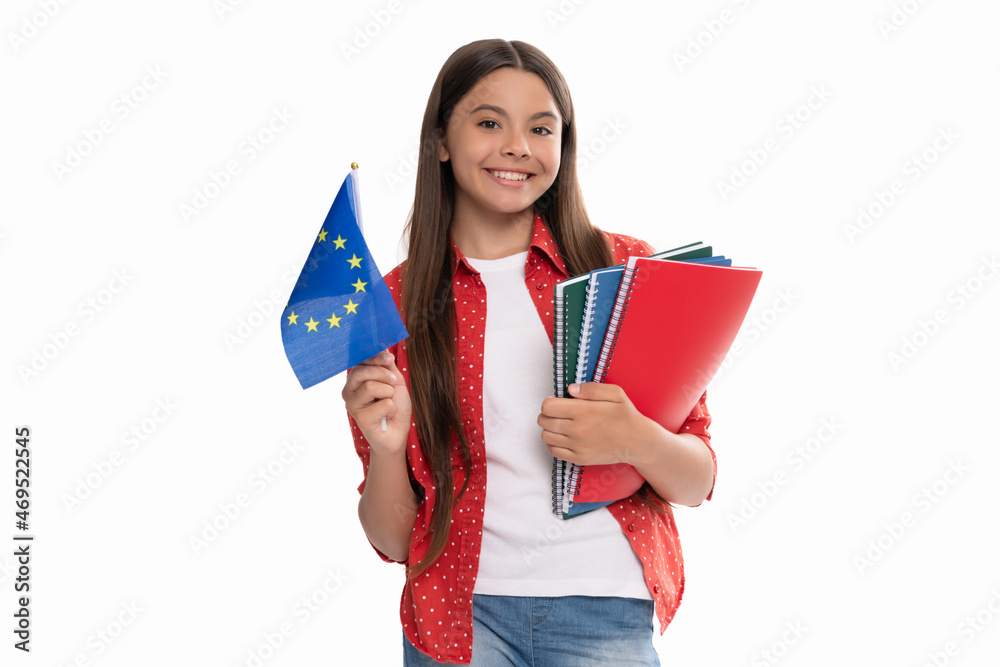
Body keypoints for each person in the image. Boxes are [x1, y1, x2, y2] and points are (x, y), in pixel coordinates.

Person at [342, 38, 716, 666]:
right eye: (489, 122)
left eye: (541, 128)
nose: (517, 146)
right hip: (459, 617)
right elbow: (393, 540)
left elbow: (698, 478)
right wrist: (385, 449)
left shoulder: (626, 271)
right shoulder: (391, 306)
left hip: (604, 610)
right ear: (440, 140)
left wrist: (633, 439)